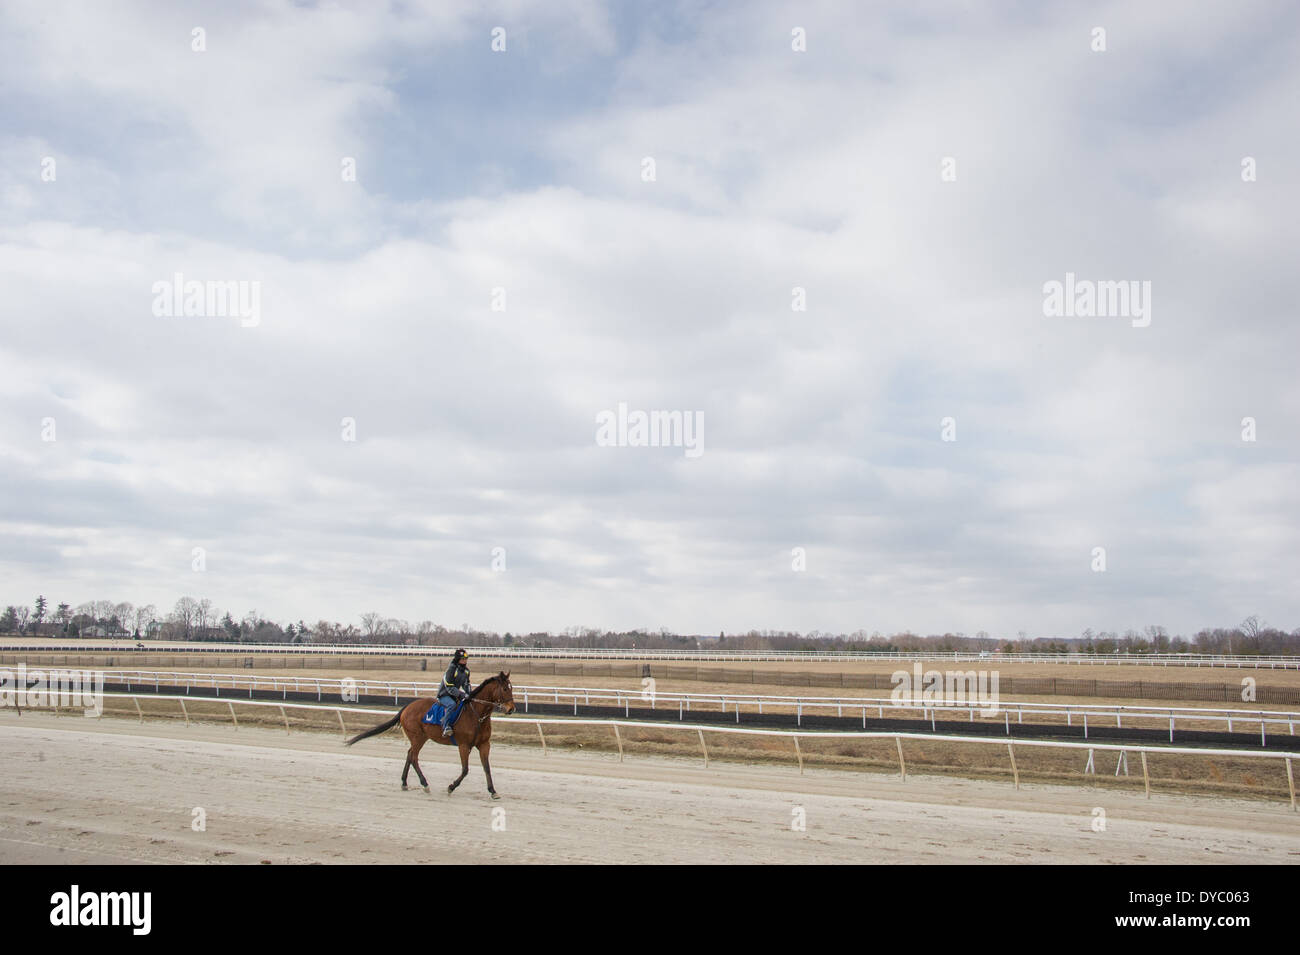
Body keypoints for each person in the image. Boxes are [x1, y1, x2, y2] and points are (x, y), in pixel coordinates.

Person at [437, 649, 471, 736]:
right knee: (451, 704)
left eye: (466, 659)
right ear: (457, 659)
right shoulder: (451, 669)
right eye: (462, 659)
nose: (465, 661)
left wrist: (470, 694)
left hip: (454, 695)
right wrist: (462, 694)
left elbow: (466, 684)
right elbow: (449, 687)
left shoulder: (466, 671)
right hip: (444, 695)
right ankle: (445, 726)